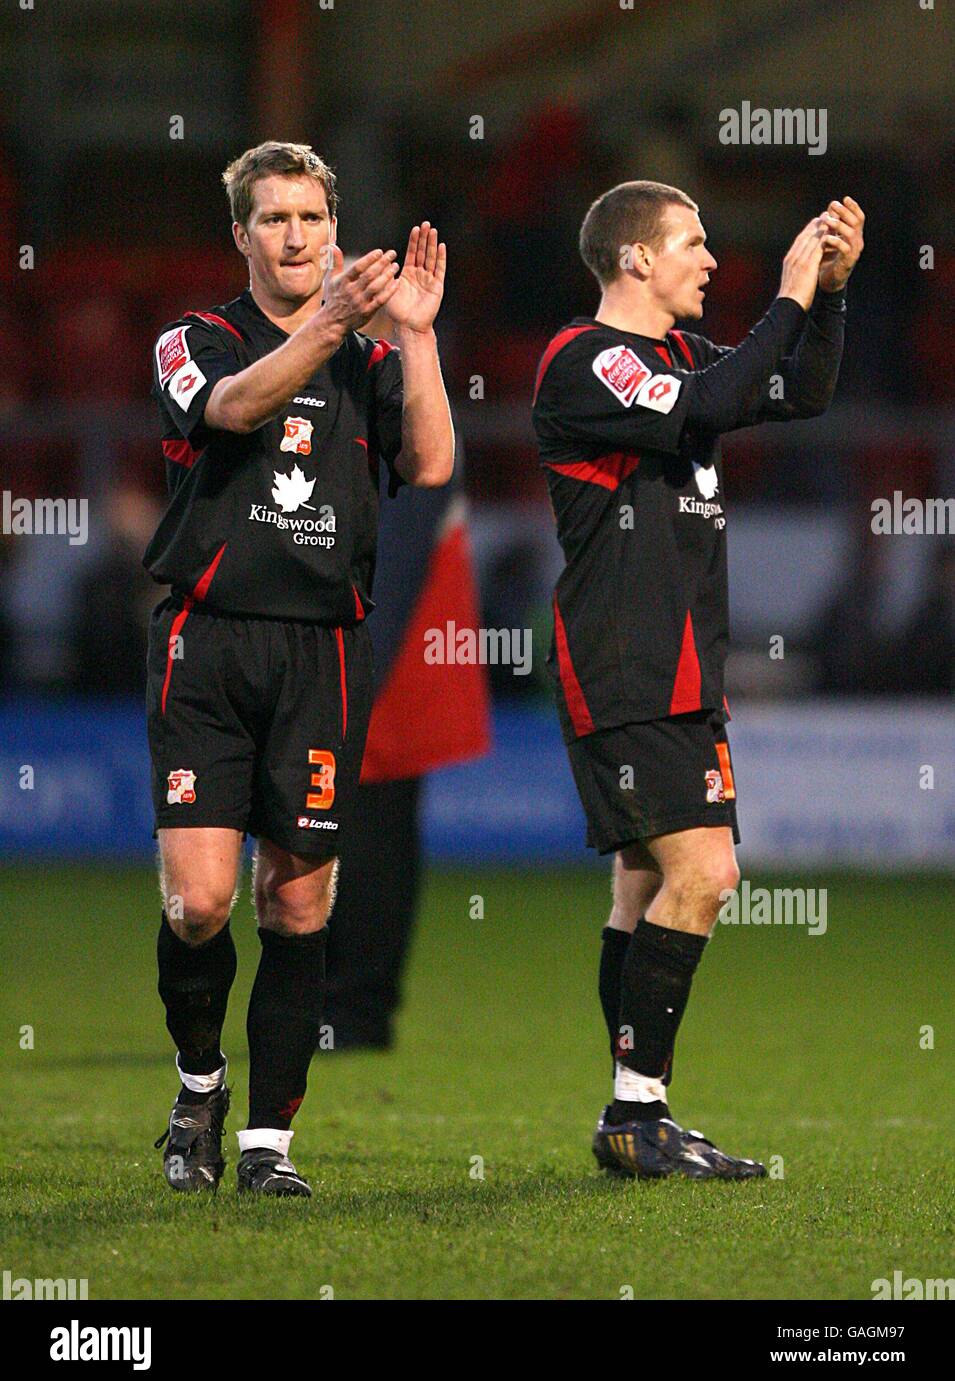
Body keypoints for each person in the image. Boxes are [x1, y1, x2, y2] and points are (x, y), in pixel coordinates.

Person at [531, 181, 863, 1179]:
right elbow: (718, 403)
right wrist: (790, 289)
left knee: (642, 887)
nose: (710, 261)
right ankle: (635, 1116)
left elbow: (796, 391)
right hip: (625, 660)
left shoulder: (677, 358)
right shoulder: (585, 361)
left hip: (675, 663)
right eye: (692, 242)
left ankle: (643, 1109)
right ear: (636, 259)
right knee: (705, 876)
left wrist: (831, 294)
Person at [145, 141, 453, 1197]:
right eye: (273, 219)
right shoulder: (192, 339)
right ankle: (199, 1081)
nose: (294, 236)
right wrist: (329, 322)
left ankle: (268, 1146)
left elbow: (432, 464)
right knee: (197, 904)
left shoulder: (367, 362)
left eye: (311, 219)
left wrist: (412, 335)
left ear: (331, 228)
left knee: (299, 903)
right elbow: (230, 409)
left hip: (321, 648)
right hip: (209, 642)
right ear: (241, 234)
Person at [323, 292, 491, 1048]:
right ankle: (353, 1005)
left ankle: (355, 1009)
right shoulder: (404, 408)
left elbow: (391, 562)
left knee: (365, 842)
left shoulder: (396, 414)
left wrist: (351, 675)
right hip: (400, 657)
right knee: (369, 839)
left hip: (387, 664)